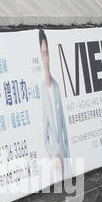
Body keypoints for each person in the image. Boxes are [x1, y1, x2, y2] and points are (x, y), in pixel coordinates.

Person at [38, 29, 71, 183]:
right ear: (40, 56)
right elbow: (44, 137)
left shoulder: (56, 86)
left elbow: (63, 126)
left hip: (65, 154)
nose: (46, 58)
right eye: (43, 53)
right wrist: (54, 155)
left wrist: (67, 156)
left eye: (47, 53)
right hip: (55, 158)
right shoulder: (42, 91)